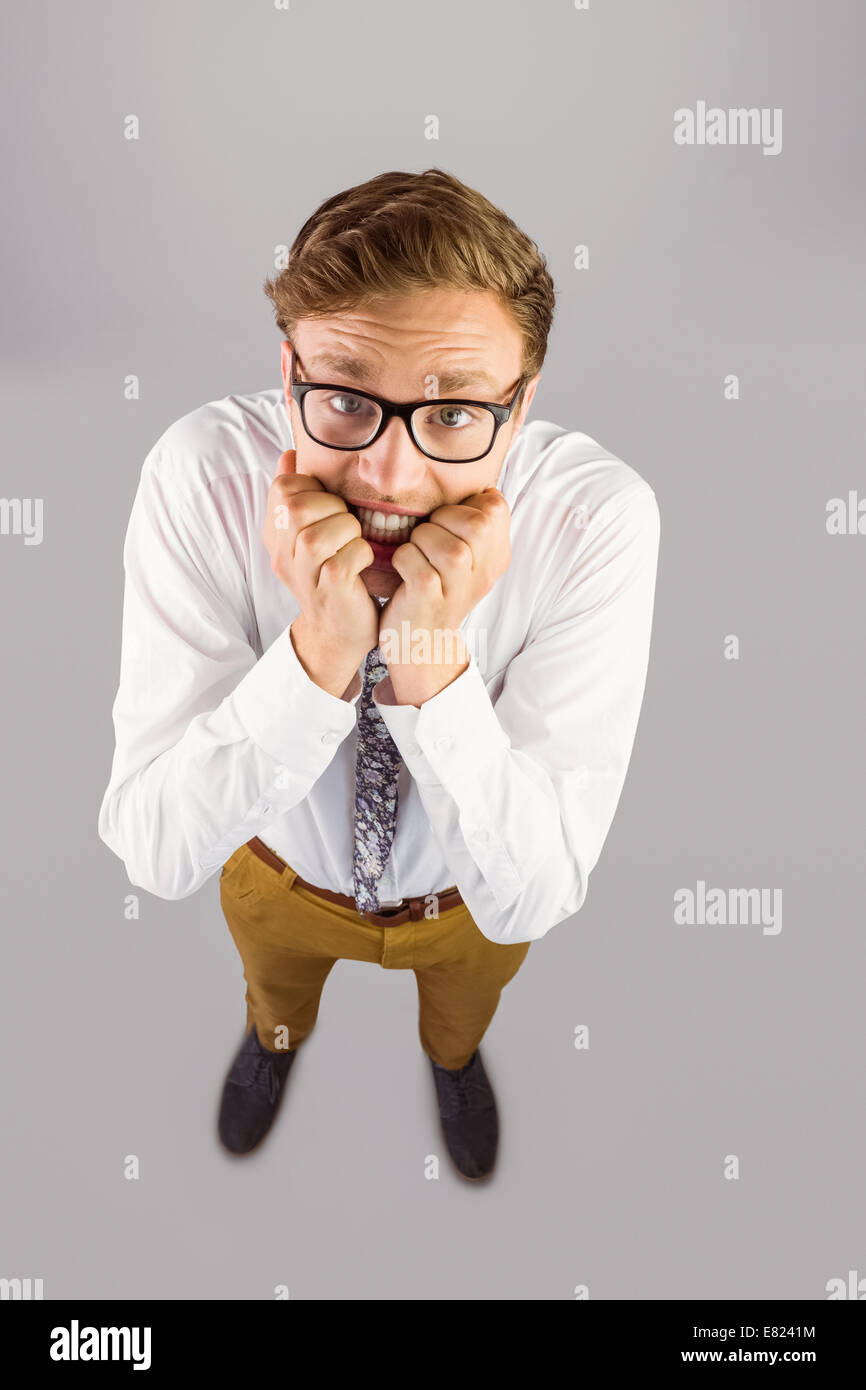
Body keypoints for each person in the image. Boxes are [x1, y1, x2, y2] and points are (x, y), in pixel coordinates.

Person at [98, 168, 660, 1181]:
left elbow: (528, 891)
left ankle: (448, 1062)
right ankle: (274, 1049)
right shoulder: (199, 477)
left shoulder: (598, 523)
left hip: (465, 908)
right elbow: (155, 846)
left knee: (459, 1019)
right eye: (346, 397)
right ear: (288, 376)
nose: (388, 480)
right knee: (274, 1001)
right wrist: (320, 648)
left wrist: (431, 660)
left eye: (452, 416)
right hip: (276, 877)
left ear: (522, 403)